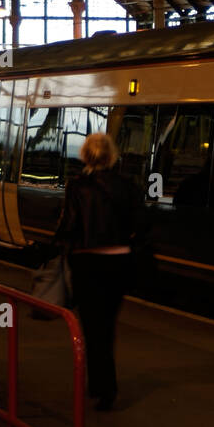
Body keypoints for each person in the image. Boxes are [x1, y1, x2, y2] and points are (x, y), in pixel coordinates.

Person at [54, 133, 145, 411]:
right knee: (107, 326)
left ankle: (101, 388)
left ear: (85, 156)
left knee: (92, 328)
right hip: (119, 263)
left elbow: (69, 225)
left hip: (87, 264)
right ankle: (105, 387)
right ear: (111, 156)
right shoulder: (128, 186)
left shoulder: (77, 186)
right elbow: (141, 224)